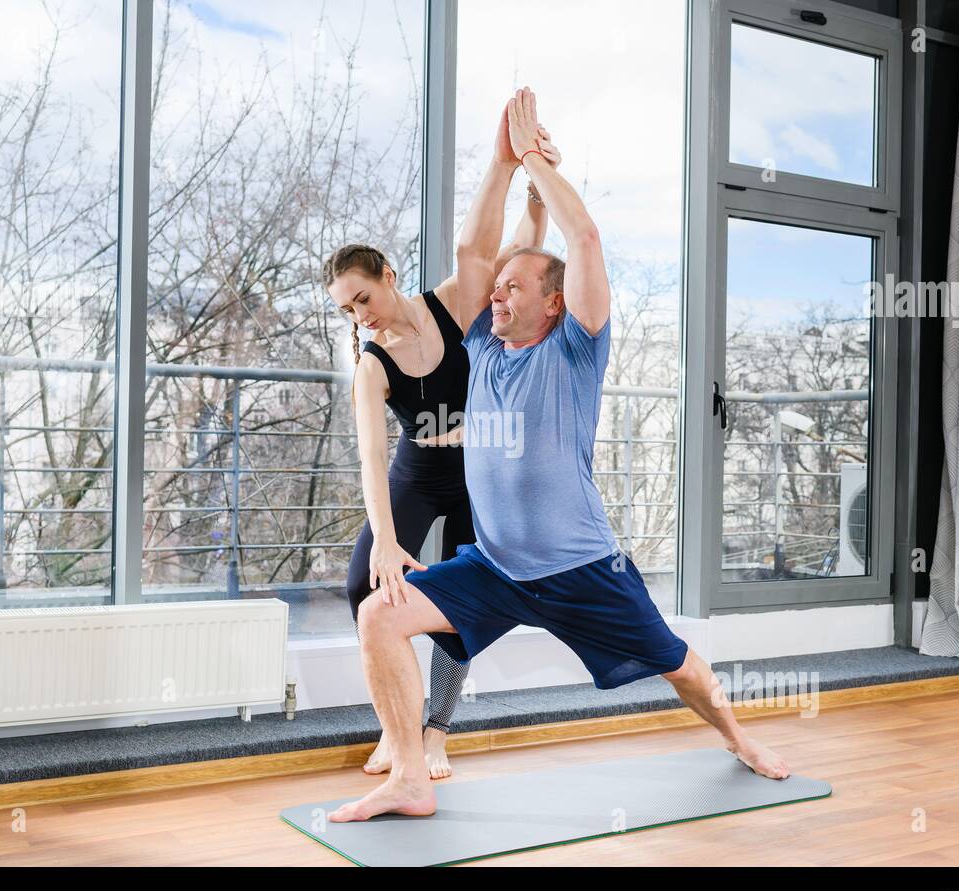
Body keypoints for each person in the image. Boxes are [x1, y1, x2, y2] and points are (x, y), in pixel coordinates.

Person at [329, 88, 790, 823]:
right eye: (496, 289)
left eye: (514, 287)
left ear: (552, 302)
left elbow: (586, 243)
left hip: (581, 568)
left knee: (677, 663)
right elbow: (475, 252)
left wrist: (537, 163)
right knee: (380, 614)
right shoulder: (482, 345)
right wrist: (500, 162)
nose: (496, 294)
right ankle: (412, 775)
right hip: (498, 569)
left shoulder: (577, 348)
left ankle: (738, 739)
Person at [323, 114, 561, 779]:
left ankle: (435, 731)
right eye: (347, 310)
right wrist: (388, 539)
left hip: (480, 475)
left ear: (389, 276)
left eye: (363, 297)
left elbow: (489, 248)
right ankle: (395, 729)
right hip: (418, 474)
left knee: (463, 601)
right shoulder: (372, 365)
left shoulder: (451, 307)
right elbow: (372, 458)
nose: (360, 314)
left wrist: (514, 171)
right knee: (361, 583)